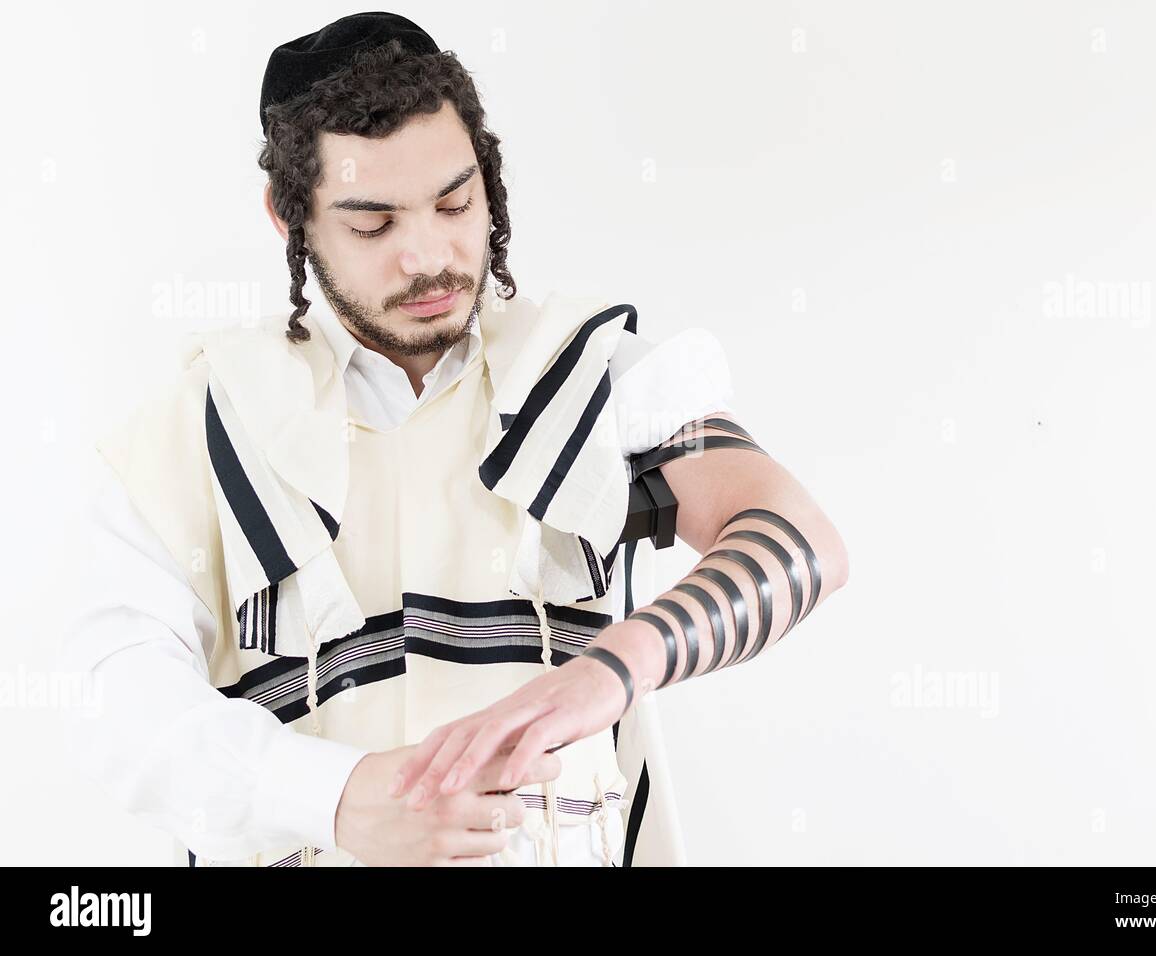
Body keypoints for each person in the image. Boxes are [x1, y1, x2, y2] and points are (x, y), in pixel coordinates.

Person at [59, 11, 850, 867]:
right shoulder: (193, 430)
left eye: (455, 202)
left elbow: (800, 542)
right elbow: (115, 699)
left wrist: (611, 669)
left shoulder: (597, 376)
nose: (430, 257)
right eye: (374, 224)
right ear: (289, 219)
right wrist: (336, 800)